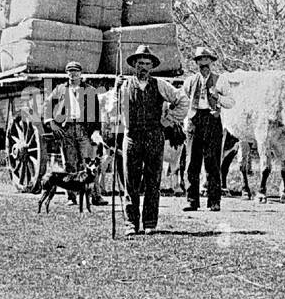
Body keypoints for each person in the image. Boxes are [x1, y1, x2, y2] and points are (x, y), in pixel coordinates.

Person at [111, 45, 186, 234]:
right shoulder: (125, 85)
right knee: (131, 181)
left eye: (147, 63)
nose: (143, 67)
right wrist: (116, 90)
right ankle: (131, 223)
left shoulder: (160, 85)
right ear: (134, 65)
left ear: (152, 66)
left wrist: (168, 120)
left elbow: (182, 100)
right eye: (140, 63)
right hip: (132, 137)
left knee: (153, 181)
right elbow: (112, 111)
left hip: (154, 136)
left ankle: (150, 223)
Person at [44, 61, 104, 206]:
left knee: (89, 163)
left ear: (81, 74)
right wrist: (51, 122)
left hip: (84, 130)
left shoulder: (90, 90)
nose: (73, 74)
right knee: (69, 163)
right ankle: (71, 197)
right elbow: (47, 105)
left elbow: (96, 113)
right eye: (70, 72)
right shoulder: (60, 89)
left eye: (75, 72)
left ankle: (95, 196)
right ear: (67, 74)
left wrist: (96, 131)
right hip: (66, 130)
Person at [181, 46, 233, 212]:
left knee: (212, 162)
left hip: (212, 120)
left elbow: (231, 102)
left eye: (206, 60)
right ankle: (192, 201)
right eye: (200, 60)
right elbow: (182, 101)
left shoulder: (220, 80)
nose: (203, 63)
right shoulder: (190, 81)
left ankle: (214, 201)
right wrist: (186, 121)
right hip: (195, 120)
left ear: (211, 61)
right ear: (196, 63)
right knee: (192, 163)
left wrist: (218, 96)